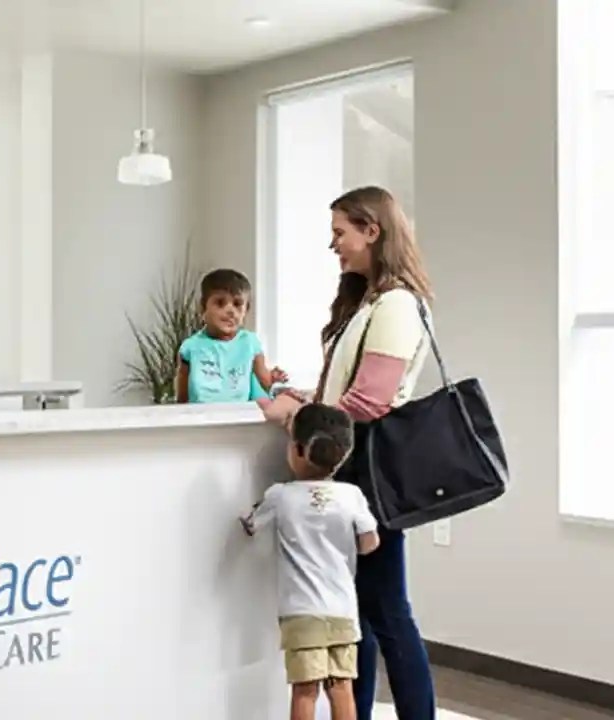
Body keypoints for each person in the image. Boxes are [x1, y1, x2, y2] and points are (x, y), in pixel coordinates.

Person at [263, 186, 437, 719]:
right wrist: (306, 396)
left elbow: (368, 401)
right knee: (359, 612)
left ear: (372, 231)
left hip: (370, 473)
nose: (333, 244)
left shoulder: (397, 305)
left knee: (387, 612)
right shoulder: (370, 303)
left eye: (340, 232)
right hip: (356, 470)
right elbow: (349, 390)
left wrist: (296, 415)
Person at [242, 403, 380, 720]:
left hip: (301, 613)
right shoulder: (352, 495)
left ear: (298, 449)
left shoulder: (280, 496)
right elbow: (370, 542)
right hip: (343, 609)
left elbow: (251, 526)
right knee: (342, 686)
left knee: (305, 690)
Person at [175, 269, 287, 404]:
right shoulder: (190, 347)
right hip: (201, 414)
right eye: (220, 303)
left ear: (246, 310)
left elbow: (266, 382)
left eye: (237, 304)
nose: (230, 311)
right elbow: (182, 398)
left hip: (237, 414)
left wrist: (274, 378)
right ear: (203, 307)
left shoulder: (250, 343)